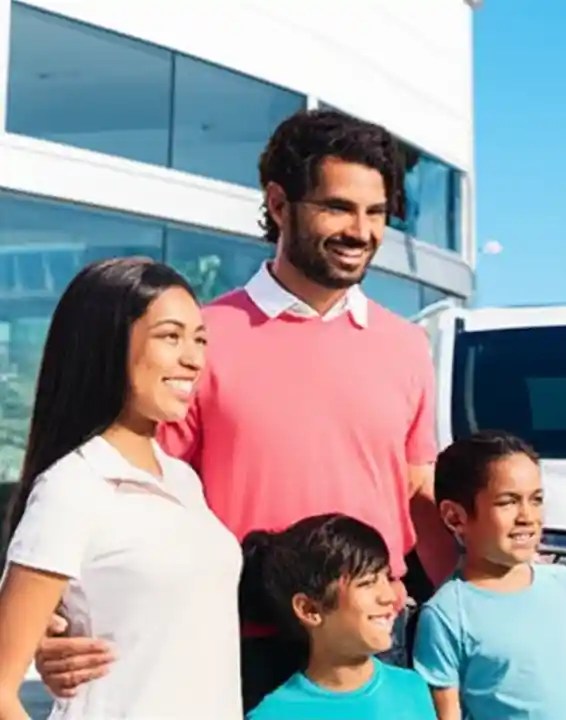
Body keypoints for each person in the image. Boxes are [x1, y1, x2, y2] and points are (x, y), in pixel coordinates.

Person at [33, 109, 458, 712]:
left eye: (375, 213)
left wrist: (480, 600)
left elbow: (418, 486)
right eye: (337, 207)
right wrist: (52, 622)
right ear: (280, 205)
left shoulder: (407, 345)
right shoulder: (200, 338)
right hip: (231, 641)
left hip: (371, 646)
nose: (360, 231)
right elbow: (127, 488)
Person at [0, 258, 241, 719]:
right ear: (105, 344)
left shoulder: (183, 480)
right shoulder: (72, 486)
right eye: (171, 336)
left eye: (200, 339)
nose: (193, 358)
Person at [413, 431, 566, 720]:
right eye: (507, 502)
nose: (527, 516)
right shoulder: (447, 614)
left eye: (536, 499)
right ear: (455, 517)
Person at [240, 513, 437, 720]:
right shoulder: (273, 715)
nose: (389, 596)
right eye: (367, 583)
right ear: (309, 610)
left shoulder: (412, 688)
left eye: (387, 578)